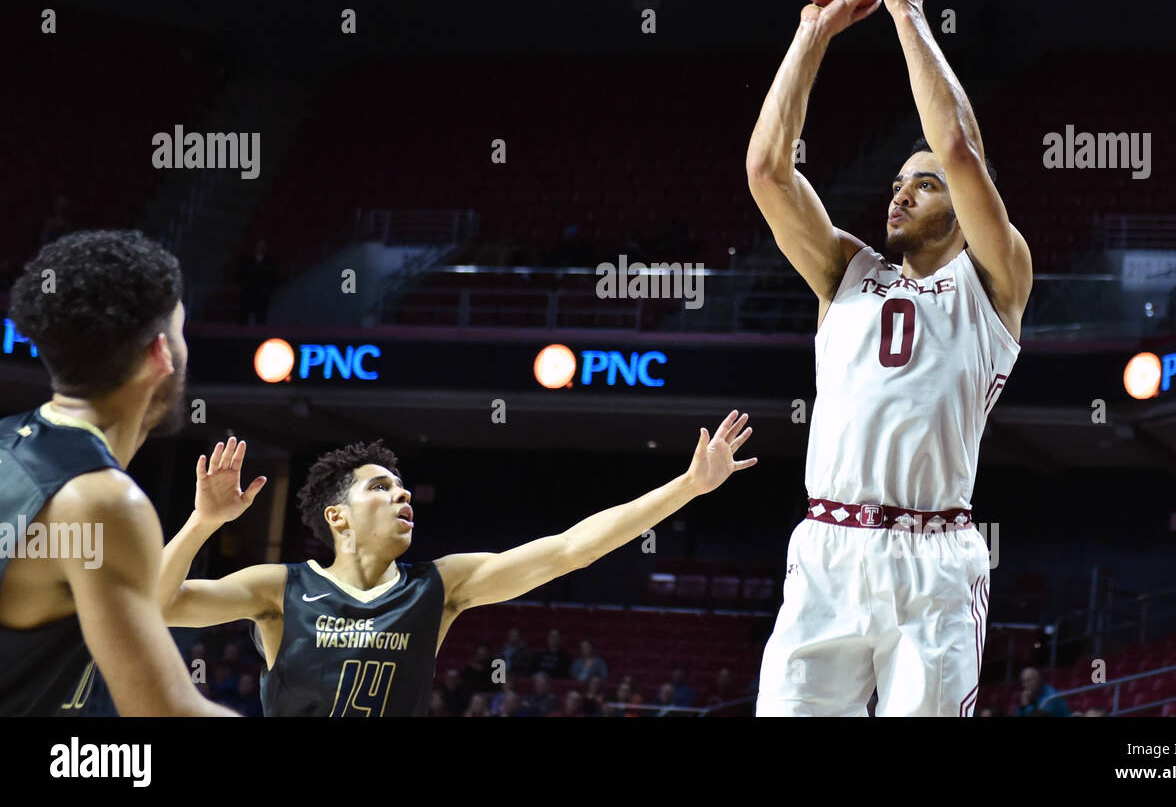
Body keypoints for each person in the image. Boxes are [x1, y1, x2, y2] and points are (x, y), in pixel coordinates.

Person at [748, 0, 1031, 717]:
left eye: (924, 182)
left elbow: (960, 146)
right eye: (898, 182)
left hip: (934, 559)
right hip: (828, 549)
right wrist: (813, 32)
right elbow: (768, 169)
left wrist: (906, 10)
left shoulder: (995, 279)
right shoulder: (846, 271)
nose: (902, 191)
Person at [157, 412, 755, 716]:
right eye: (381, 488)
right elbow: (156, 607)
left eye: (405, 488)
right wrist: (202, 523)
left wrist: (688, 487)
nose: (404, 495)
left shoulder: (439, 586)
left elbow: (574, 548)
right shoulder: (279, 587)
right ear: (337, 517)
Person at [0, 230, 235, 716]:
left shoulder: (9, 443)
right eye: (181, 329)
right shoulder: (100, 502)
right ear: (161, 353)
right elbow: (167, 711)